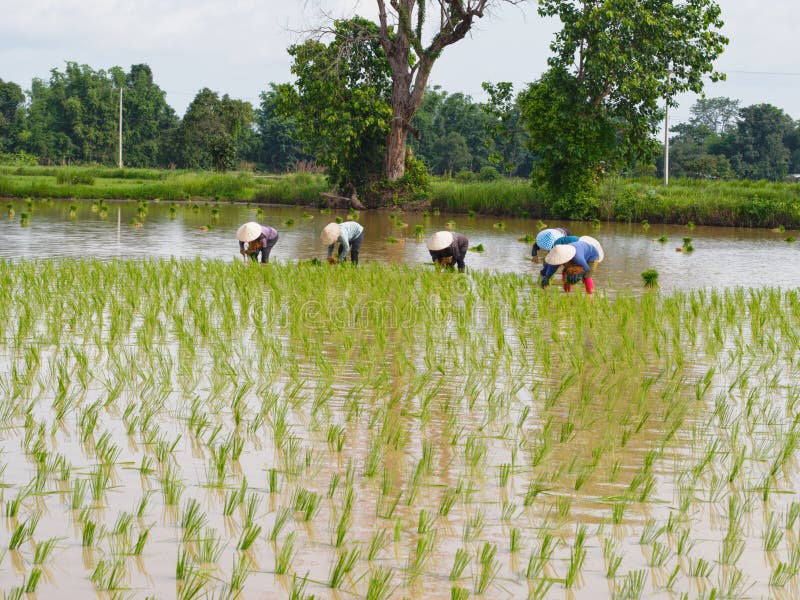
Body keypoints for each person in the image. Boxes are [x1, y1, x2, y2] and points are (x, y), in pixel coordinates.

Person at [540, 236, 604, 294]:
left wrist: (578, 275)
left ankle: (590, 294)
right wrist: (547, 277)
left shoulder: (578, 258)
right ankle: (567, 293)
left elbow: (586, 269)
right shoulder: (559, 254)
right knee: (566, 273)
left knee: (587, 277)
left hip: (592, 256)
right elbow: (552, 267)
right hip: (578, 252)